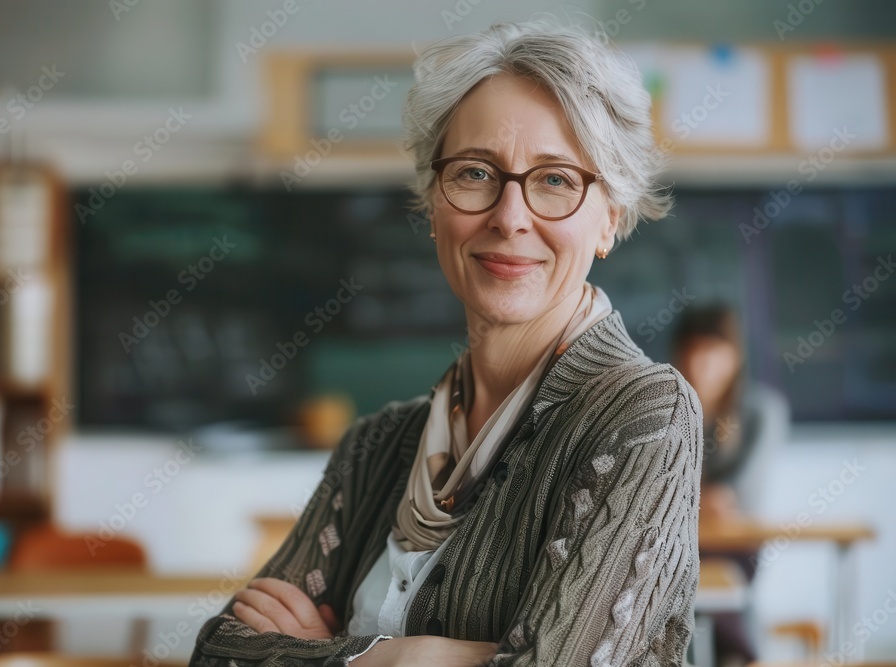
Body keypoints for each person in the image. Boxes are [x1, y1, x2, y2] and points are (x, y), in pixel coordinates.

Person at [191, 19, 703, 667]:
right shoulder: (374, 448)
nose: (510, 215)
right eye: (475, 172)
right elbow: (222, 654)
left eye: (555, 180)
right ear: (433, 204)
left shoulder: (644, 417)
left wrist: (347, 655)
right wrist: (427, 655)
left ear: (610, 218)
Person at [671, 304, 791, 666]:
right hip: (677, 544)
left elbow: (731, 496)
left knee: (704, 586)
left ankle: (739, 652)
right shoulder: (669, 408)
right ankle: (740, 652)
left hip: (734, 546)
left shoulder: (760, 411)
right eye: (692, 351)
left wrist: (687, 497)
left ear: (735, 356)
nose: (699, 363)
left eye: (712, 352)